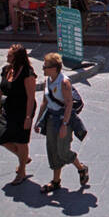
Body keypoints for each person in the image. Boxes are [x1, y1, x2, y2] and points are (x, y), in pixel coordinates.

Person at [35, 53, 90, 194]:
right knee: (52, 149)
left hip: (62, 120)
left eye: (45, 67)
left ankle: (81, 168)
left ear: (54, 68)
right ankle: (56, 181)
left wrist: (64, 125)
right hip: (51, 119)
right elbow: (44, 102)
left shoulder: (64, 83)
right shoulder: (48, 80)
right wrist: (38, 120)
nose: (43, 69)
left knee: (63, 151)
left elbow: (69, 104)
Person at [0, 44, 36, 185]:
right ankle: (23, 158)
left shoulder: (27, 73)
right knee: (3, 138)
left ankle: (22, 170)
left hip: (22, 109)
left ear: (17, 58)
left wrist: (28, 117)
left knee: (21, 141)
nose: (7, 57)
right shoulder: (6, 70)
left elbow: (31, 97)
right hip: (8, 108)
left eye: (9, 55)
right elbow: (1, 90)